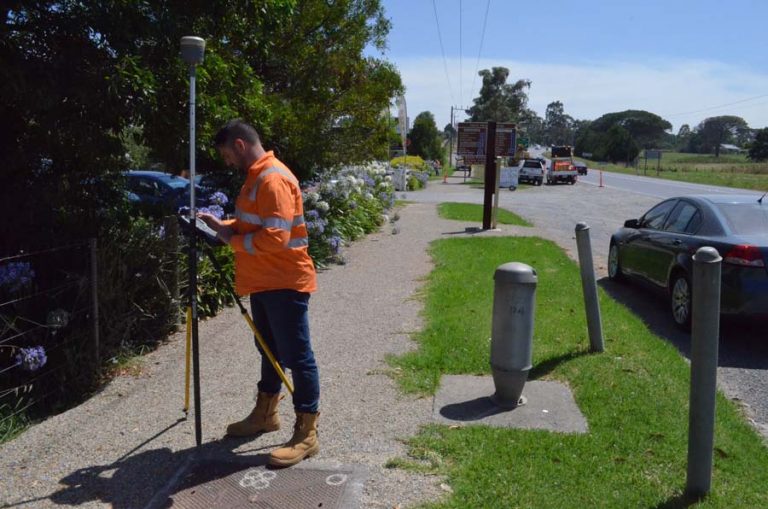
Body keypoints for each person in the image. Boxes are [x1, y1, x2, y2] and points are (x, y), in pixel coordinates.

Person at [198, 119, 320, 468]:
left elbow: (276, 238)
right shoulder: (256, 176)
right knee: (268, 350)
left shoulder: (272, 179)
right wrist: (223, 226)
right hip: (265, 282)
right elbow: (256, 224)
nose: (226, 163)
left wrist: (230, 240)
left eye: (226, 154)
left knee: (298, 356)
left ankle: (307, 433)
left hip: (285, 282)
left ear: (239, 145)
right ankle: (266, 415)